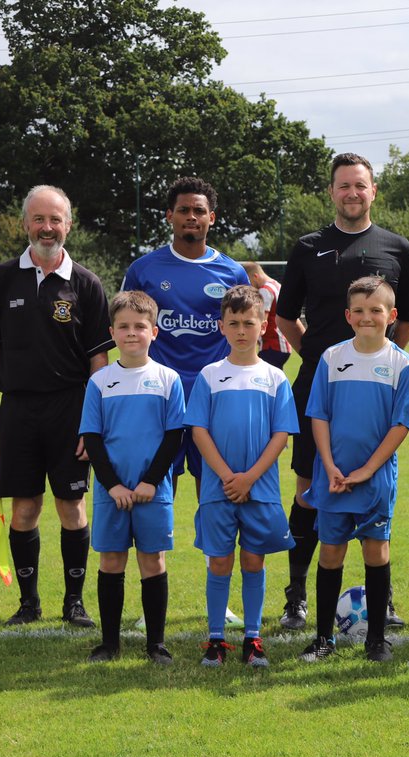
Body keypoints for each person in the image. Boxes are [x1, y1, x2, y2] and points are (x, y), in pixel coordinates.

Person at [275, 152, 409, 631]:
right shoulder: (307, 246)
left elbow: (406, 322)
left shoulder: (398, 249)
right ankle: (296, 596)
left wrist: (378, 358)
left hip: (375, 393)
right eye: (343, 186)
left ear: (373, 190)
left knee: (375, 487)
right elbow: (284, 316)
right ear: (332, 191)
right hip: (320, 390)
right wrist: (317, 359)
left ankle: (385, 600)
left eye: (360, 185)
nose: (352, 193)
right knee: (309, 492)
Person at [0, 184, 113, 628]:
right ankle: (29, 603)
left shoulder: (86, 283)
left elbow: (98, 361)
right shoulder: (1, 279)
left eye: (55, 220)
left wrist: (94, 424)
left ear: (68, 225)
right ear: (25, 223)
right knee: (24, 509)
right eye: (39, 219)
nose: (47, 228)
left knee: (72, 507)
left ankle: (74, 602)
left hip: (72, 410)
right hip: (15, 411)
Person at [122, 176, 251, 631]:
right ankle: (151, 604)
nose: (191, 217)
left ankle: (221, 601)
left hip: (215, 403)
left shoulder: (231, 273)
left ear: (211, 218)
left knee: (214, 496)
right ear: (170, 216)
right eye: (184, 210)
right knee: (156, 493)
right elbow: (126, 324)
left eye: (200, 210)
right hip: (157, 401)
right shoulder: (143, 269)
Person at [298, 276, 409, 663]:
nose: (368, 317)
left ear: (391, 315)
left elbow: (401, 424)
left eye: (376, 310)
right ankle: (323, 639)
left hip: (375, 478)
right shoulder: (332, 358)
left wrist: (367, 469)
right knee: (330, 552)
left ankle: (376, 640)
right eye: (360, 311)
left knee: (376, 551)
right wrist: (329, 465)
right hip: (333, 477)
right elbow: (319, 414)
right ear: (348, 316)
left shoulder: (401, 363)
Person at [184, 285, 300, 668]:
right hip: (220, 489)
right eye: (233, 323)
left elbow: (281, 435)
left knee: (254, 561)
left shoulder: (274, 378)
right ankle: (216, 640)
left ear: (263, 324)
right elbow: (198, 430)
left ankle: (253, 639)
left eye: (248, 322)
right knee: (220, 562)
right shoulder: (210, 375)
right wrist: (227, 476)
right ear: (221, 326)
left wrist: (249, 477)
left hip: (260, 488)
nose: (241, 330)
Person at [80, 290, 185, 665]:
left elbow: (175, 436)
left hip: (152, 491)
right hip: (113, 491)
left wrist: (149, 482)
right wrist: (113, 485)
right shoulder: (100, 381)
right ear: (112, 332)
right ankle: (109, 644)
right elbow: (92, 438)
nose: (131, 333)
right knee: (111, 561)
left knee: (152, 560)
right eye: (123, 327)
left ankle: (156, 644)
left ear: (153, 332)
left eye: (139, 326)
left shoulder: (168, 379)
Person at [243, 261, 298, 369]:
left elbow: (261, 320)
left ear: (255, 276)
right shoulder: (277, 285)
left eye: (249, 282)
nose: (248, 286)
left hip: (272, 346)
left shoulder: (265, 291)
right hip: (282, 345)